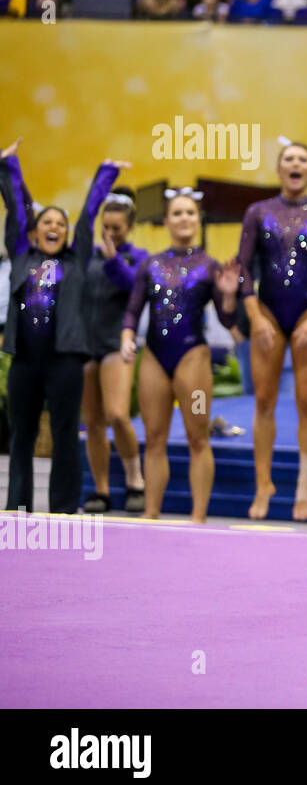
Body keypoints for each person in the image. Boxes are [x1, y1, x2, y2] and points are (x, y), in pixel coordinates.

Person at [1, 138, 125, 513]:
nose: (54, 227)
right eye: (46, 222)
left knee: (65, 436)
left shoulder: (76, 259)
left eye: (60, 224)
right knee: (21, 437)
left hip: (65, 361)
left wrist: (106, 174)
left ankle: (63, 510)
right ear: (36, 232)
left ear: (67, 235)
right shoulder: (22, 255)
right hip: (24, 360)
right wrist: (9, 167)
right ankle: (18, 509)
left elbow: (88, 215)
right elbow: (17, 209)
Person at [236, 139, 307, 521]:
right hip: (267, 311)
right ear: (279, 169)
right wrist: (255, 314)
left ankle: (305, 485)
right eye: (288, 159)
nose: (295, 164)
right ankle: (264, 483)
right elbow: (243, 268)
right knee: (263, 401)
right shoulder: (257, 212)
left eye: (302, 160)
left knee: (305, 401)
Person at [121, 189, 239, 521]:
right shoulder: (151, 264)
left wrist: (229, 297)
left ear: (198, 219)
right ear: (166, 221)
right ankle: (151, 513)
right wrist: (127, 337)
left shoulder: (210, 265)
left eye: (190, 213)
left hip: (193, 361)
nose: (184, 218)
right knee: (154, 437)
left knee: (197, 436)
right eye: (177, 213)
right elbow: (133, 311)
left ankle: (198, 517)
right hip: (156, 360)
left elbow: (226, 319)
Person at [82, 187, 149, 513]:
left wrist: (113, 260)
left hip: (117, 344)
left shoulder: (139, 258)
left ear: (130, 228)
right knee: (93, 421)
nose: (109, 234)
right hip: (87, 346)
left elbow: (133, 286)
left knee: (118, 415)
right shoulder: (90, 255)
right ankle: (102, 489)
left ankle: (135, 478)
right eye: (105, 228)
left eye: (117, 229)